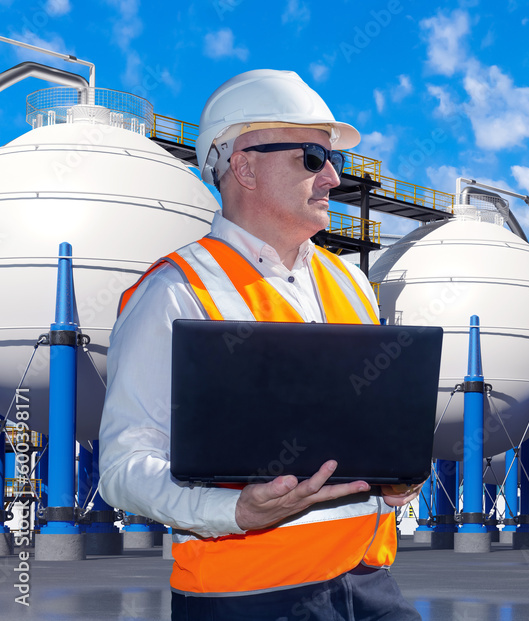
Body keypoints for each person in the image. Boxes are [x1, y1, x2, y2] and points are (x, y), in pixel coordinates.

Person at [98, 69, 422, 620]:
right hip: (247, 597)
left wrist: (400, 476)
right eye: (313, 158)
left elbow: (364, 428)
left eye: (332, 160)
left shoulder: (351, 282)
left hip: (368, 586)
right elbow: (124, 467)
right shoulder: (175, 291)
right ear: (243, 165)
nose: (333, 179)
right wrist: (234, 510)